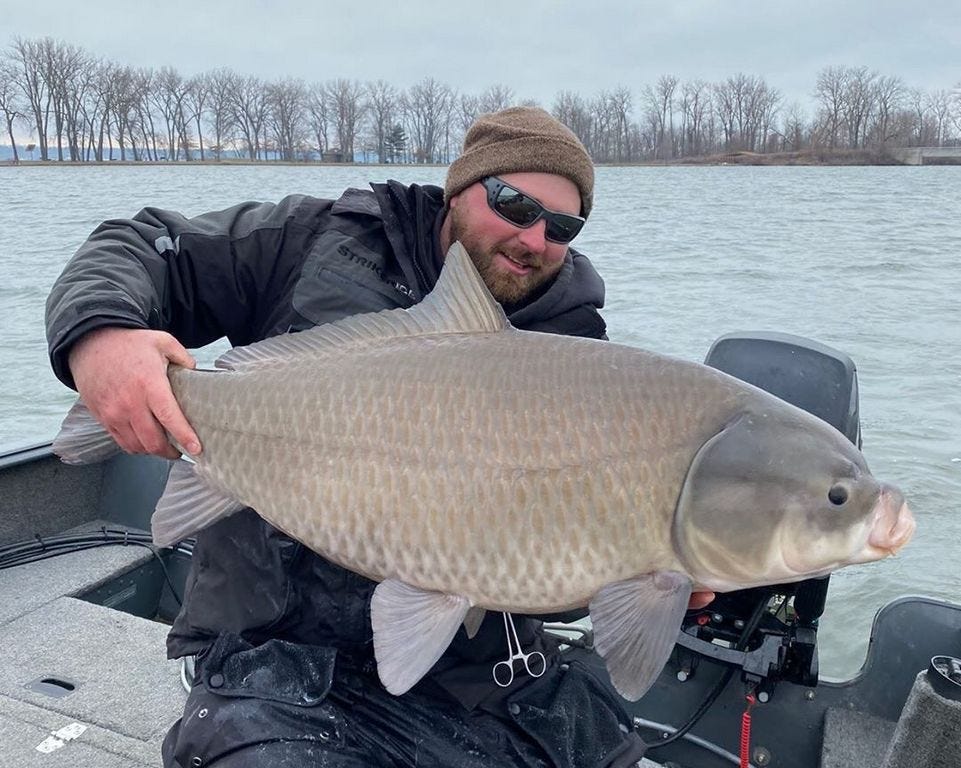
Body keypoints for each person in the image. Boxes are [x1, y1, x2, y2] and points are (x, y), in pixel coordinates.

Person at [46, 107, 712, 768]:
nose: (534, 238)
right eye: (513, 204)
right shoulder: (311, 240)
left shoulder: (570, 339)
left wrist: (640, 574)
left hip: (472, 675)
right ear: (459, 189)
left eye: (561, 225)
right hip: (273, 654)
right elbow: (141, 246)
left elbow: (549, 557)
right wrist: (100, 338)